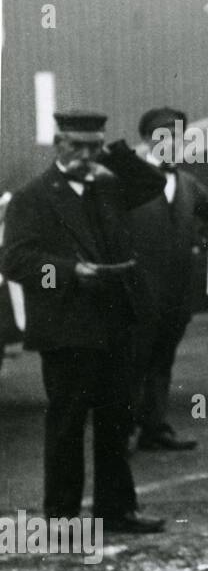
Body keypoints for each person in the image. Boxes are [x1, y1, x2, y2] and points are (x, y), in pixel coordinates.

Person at [0, 111, 166, 534]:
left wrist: (114, 154)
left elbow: (155, 183)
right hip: (66, 329)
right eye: (78, 146)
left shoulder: (107, 185)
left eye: (94, 146)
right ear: (58, 143)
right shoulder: (31, 197)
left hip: (114, 325)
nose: (86, 155)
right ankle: (60, 522)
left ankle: (117, 511)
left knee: (116, 423)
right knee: (67, 426)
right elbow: (16, 262)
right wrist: (69, 272)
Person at [128, 107, 208, 451]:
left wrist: (198, 244)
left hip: (175, 295)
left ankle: (153, 429)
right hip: (136, 292)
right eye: (162, 137)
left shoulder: (188, 184)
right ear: (147, 141)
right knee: (132, 359)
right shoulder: (128, 183)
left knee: (161, 359)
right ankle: (122, 431)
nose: (170, 143)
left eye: (177, 137)